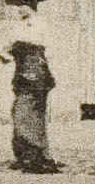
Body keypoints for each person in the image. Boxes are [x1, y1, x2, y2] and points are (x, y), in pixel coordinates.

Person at [5, 33, 63, 175]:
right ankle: (32, 156)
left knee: (25, 116)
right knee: (31, 116)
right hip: (32, 80)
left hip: (32, 80)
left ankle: (37, 158)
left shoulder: (33, 30)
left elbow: (7, 54)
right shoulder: (27, 30)